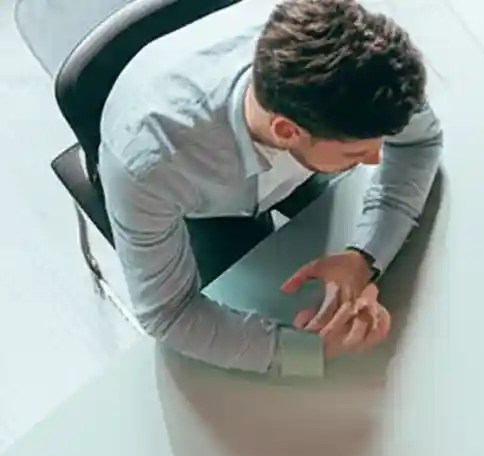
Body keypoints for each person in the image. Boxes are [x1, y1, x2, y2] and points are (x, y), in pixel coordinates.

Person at [99, 0, 442, 377]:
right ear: (286, 131)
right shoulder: (148, 167)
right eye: (358, 151)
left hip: (294, 160)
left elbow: (418, 143)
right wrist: (307, 355)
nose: (377, 159)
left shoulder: (365, 71)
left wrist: (364, 257)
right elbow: (169, 315)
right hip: (201, 200)